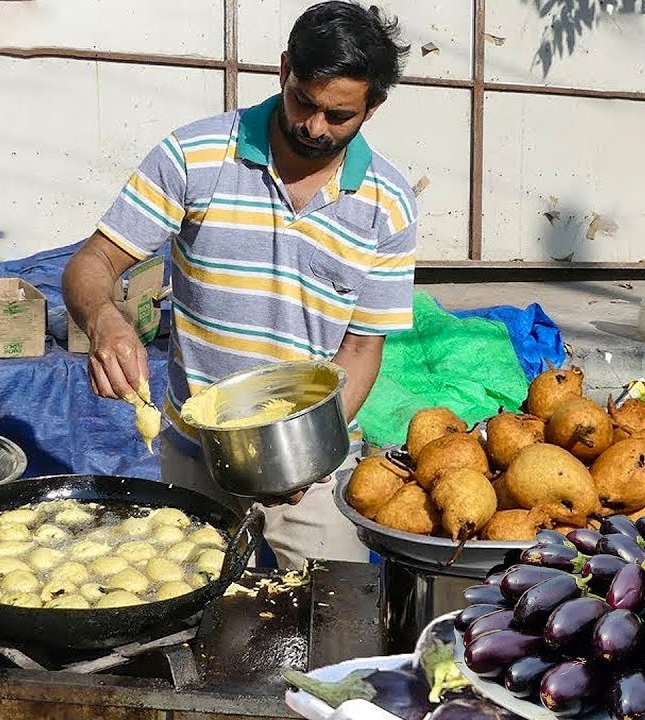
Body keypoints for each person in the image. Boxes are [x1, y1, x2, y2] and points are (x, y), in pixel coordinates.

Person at [62, 1, 417, 570]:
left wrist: (305, 456)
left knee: (329, 615)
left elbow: (360, 347)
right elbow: (92, 263)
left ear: (373, 108)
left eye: (339, 115)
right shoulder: (195, 156)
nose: (314, 126)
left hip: (314, 471)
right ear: (283, 70)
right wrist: (104, 321)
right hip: (196, 455)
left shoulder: (387, 203)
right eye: (304, 100)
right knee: (198, 615)